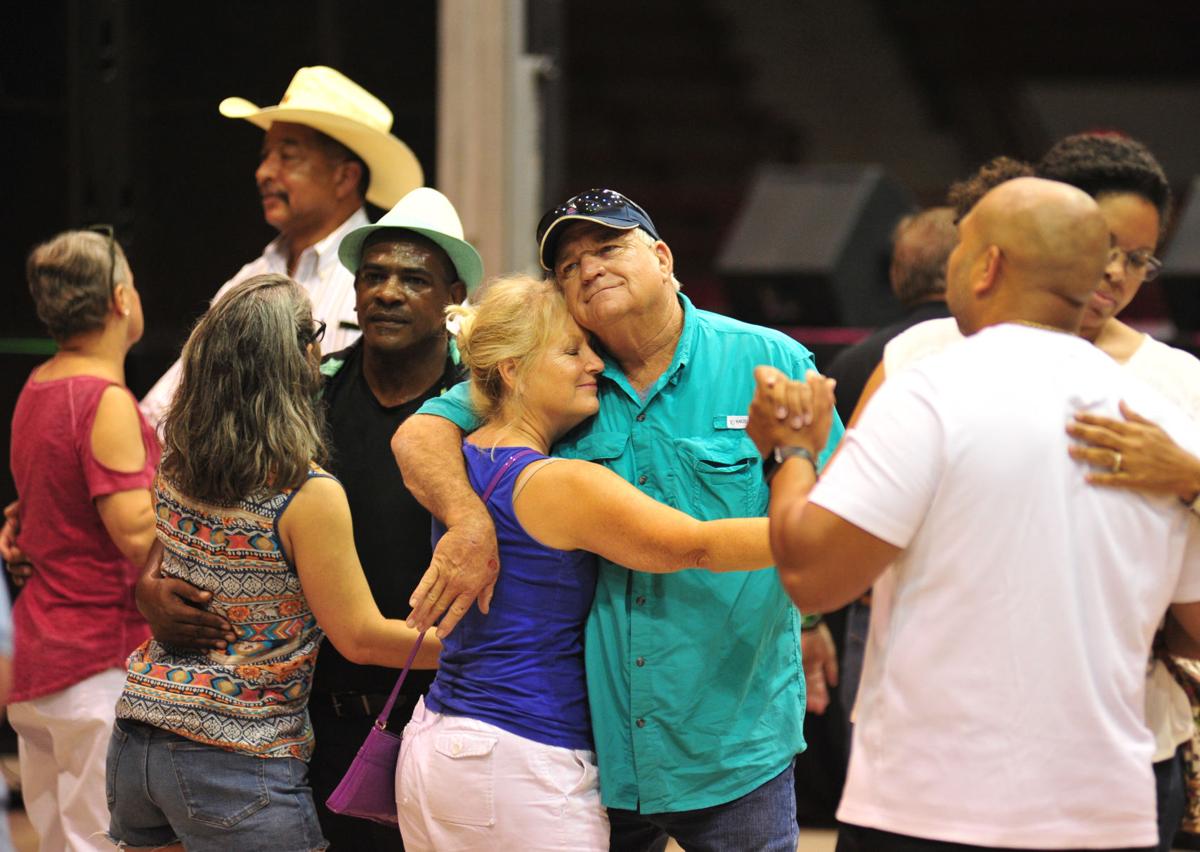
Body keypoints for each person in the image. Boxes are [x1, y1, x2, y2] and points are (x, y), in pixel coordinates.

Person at [393, 188, 844, 851]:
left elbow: (834, 507)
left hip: (731, 738)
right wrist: (467, 520)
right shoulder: (556, 367)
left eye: (608, 248)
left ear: (662, 258)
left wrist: (811, 617)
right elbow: (419, 435)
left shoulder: (764, 361)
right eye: (568, 265)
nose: (588, 269)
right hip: (597, 745)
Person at [762, 176, 1200, 851]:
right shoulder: (1161, 421)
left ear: (988, 265)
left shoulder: (930, 392)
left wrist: (791, 447)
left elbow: (815, 575)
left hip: (930, 804)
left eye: (963, 246)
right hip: (1104, 808)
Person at [131, 187, 481, 850]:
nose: (387, 293)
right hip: (313, 723)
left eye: (413, 279)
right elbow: (203, 498)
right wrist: (150, 584)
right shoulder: (307, 393)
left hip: (449, 711)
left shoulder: (482, 407)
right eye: (373, 276)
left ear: (451, 295)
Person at [139, 65, 424, 425]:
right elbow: (165, 408)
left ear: (344, 177)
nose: (264, 173)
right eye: (265, 157)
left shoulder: (393, 285)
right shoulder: (249, 278)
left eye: (287, 157)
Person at [8, 227, 158, 852]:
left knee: (59, 839)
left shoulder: (37, 384)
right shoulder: (104, 399)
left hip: (42, 657)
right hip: (97, 658)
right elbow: (140, 537)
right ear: (122, 299)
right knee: (102, 843)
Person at [822, 205, 958, 736]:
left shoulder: (856, 360)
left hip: (872, 595)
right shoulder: (1000, 353)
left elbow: (832, 493)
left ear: (898, 275)